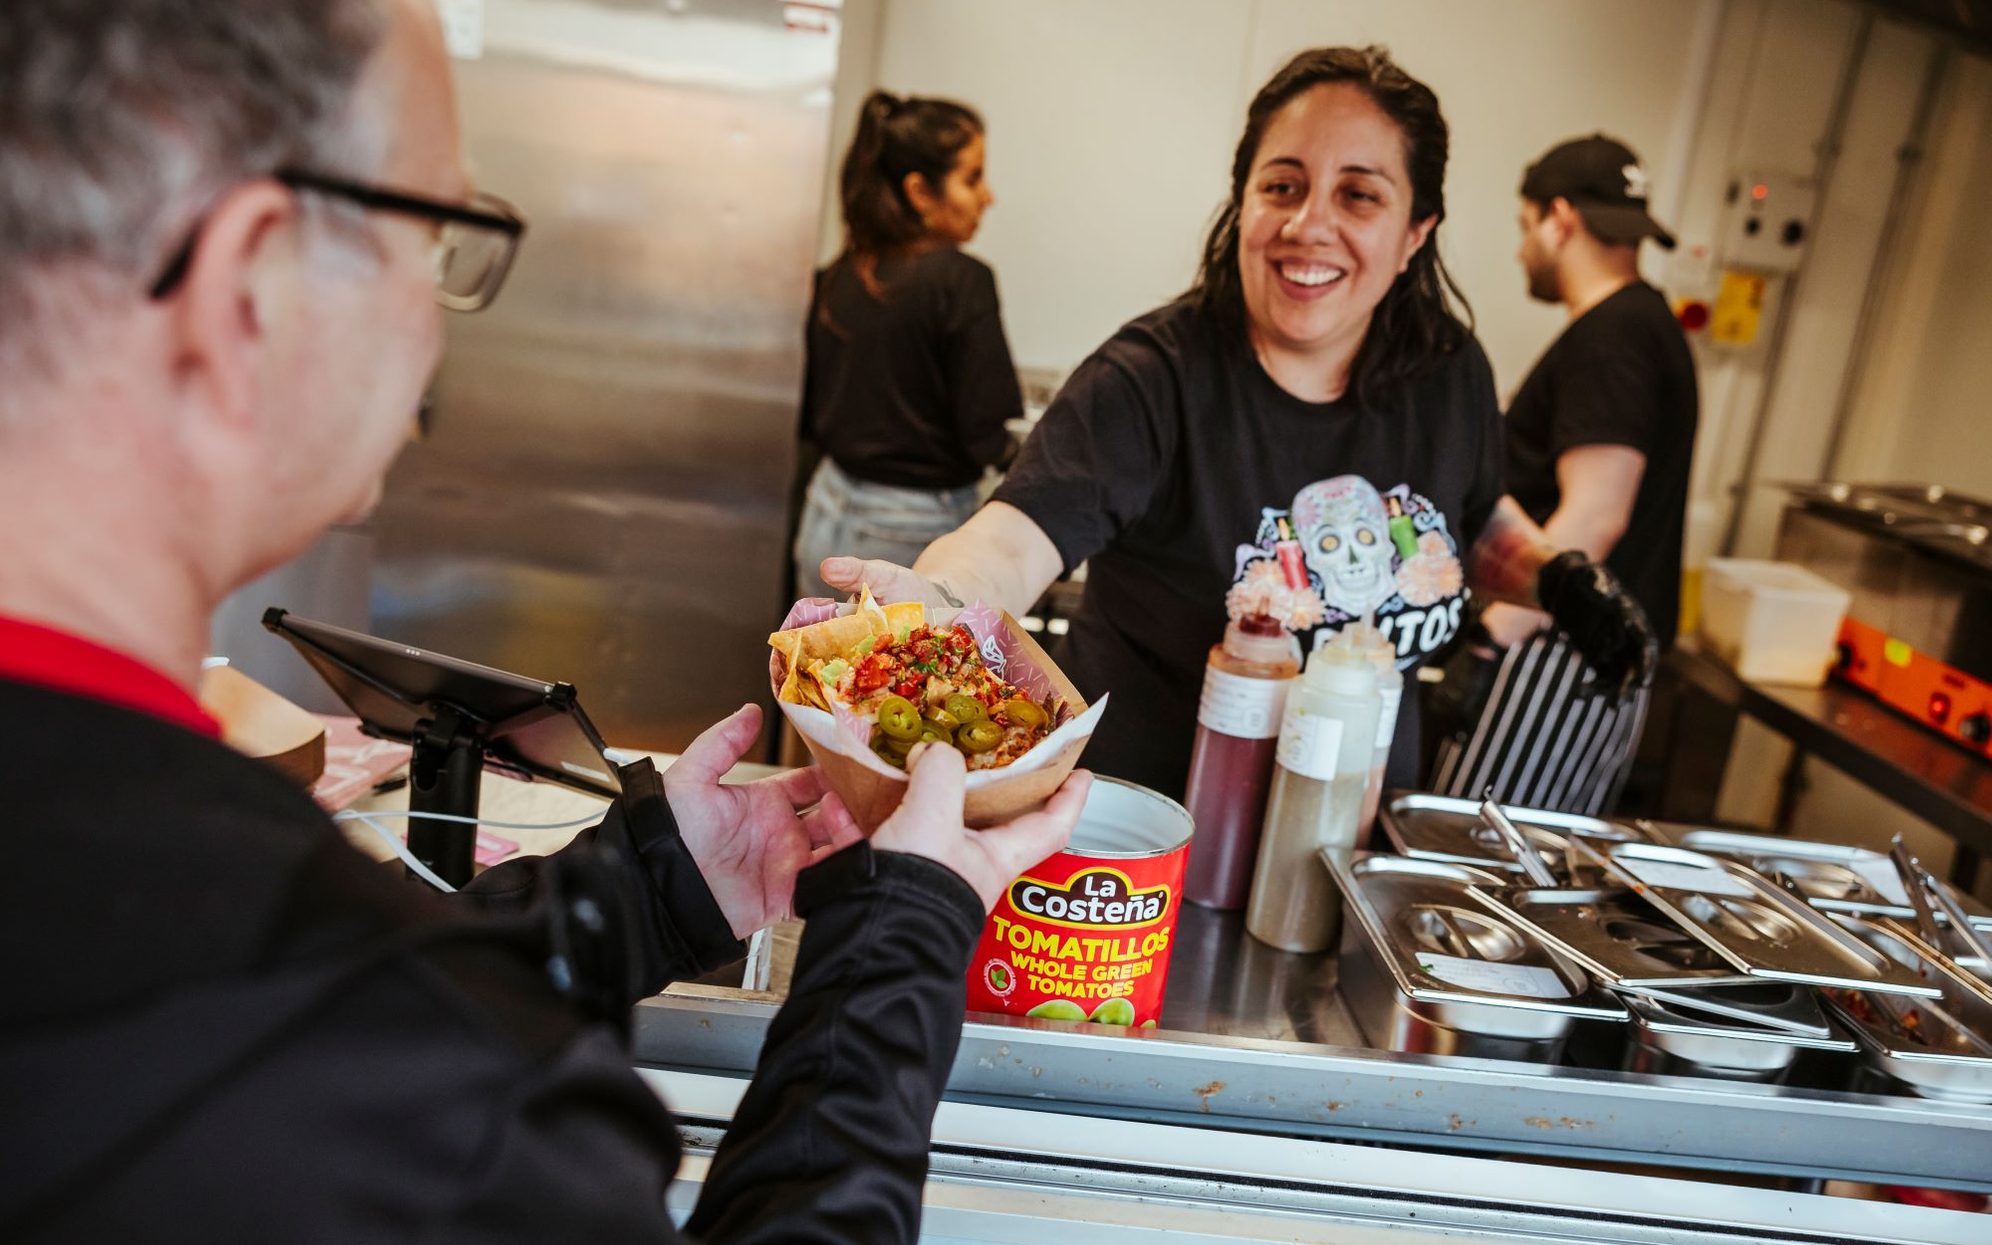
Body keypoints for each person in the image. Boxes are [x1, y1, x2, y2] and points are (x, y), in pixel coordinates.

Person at [0, 3, 1086, 1241]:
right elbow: (373, 1041)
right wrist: (897, 942)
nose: (438, 322)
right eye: (434, 237)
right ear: (251, 289)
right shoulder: (448, 1119)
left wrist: (643, 893)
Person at [818, 46, 1656, 803]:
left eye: (1359, 194)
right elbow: (1011, 542)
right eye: (1282, 186)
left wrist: (1555, 580)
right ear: (1244, 201)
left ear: (1415, 233)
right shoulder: (1152, 377)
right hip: (1134, 837)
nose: (1308, 224)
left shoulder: (1448, 371)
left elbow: (1463, 517)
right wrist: (936, 602)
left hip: (1349, 828)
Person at [791, 90, 1022, 601]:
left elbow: (809, 413)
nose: (987, 197)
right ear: (920, 191)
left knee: (813, 654)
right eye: (972, 178)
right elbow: (983, 432)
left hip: (825, 511)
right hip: (908, 532)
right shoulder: (962, 281)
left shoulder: (840, 275)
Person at [1482, 133, 1699, 649]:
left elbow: (1595, 517)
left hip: (1563, 649)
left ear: (1560, 219)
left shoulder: (1613, 337)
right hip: (1583, 639)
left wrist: (1491, 638)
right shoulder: (1640, 324)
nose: (1520, 251)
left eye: (1526, 227)